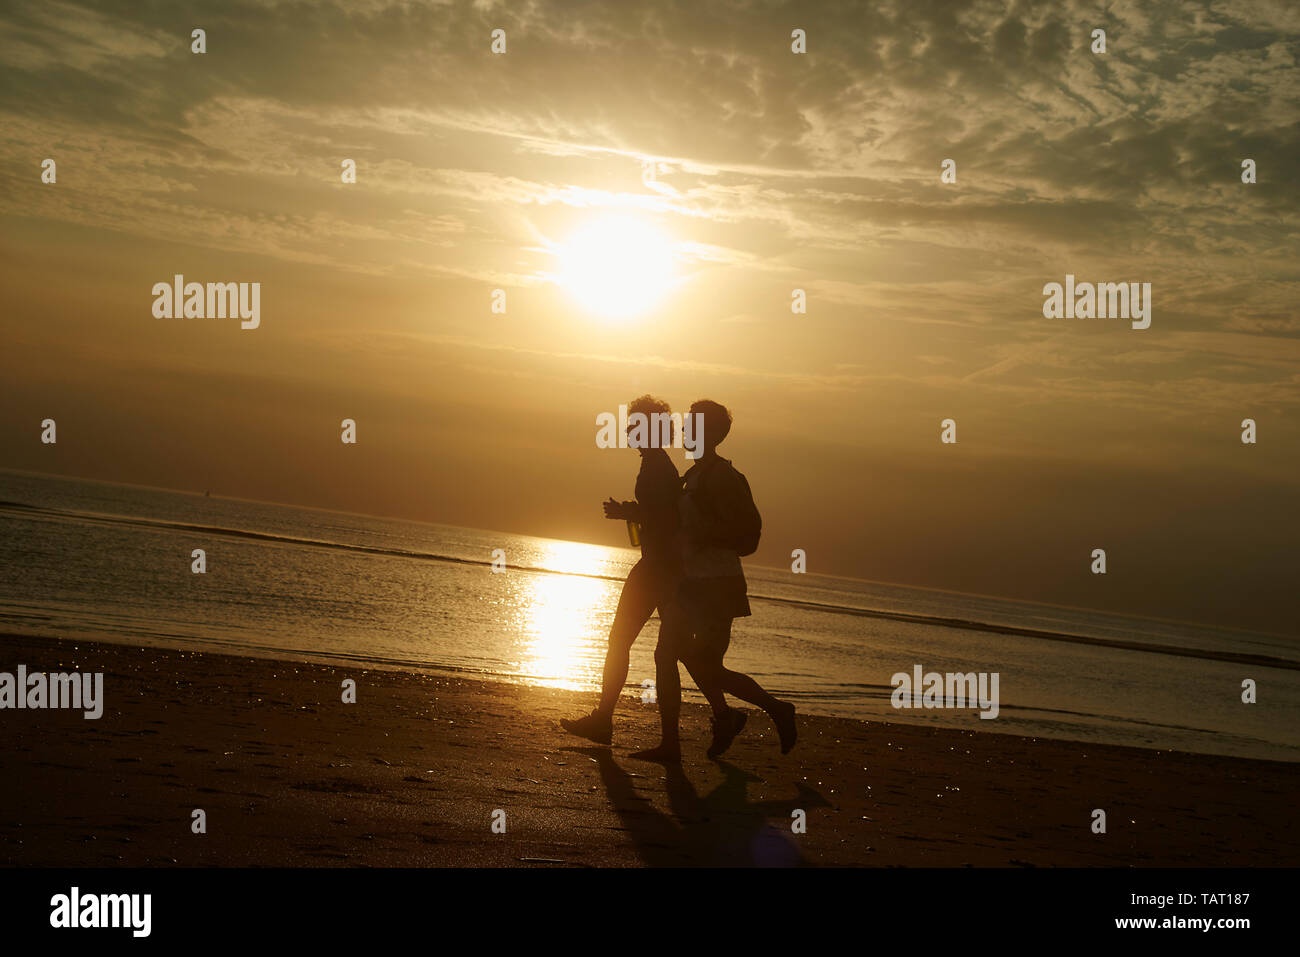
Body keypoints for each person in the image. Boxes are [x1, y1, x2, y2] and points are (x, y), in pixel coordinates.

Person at [639, 399, 797, 760]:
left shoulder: (722, 477)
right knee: (674, 656)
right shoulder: (692, 476)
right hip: (691, 582)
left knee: (695, 661)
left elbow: (750, 535)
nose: (682, 430)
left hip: (717, 584)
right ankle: (685, 737)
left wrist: (705, 537)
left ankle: (769, 710)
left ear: (709, 433)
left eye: (690, 424)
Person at [560, 395, 690, 749]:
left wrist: (627, 512)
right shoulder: (656, 464)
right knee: (674, 653)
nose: (629, 430)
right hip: (662, 566)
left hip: (657, 567)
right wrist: (631, 511)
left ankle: (607, 721)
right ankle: (678, 733)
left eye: (635, 425)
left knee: (624, 642)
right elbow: (660, 514)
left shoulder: (656, 467)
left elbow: (664, 518)